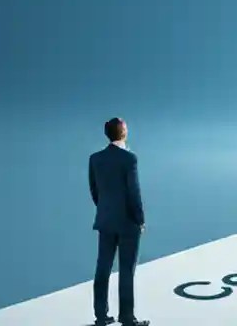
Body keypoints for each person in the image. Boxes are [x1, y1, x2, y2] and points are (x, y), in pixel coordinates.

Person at [89, 118, 148, 326]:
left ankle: (100, 315)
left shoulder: (95, 158)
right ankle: (126, 316)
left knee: (102, 268)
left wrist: (106, 210)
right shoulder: (129, 158)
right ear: (123, 131)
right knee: (126, 270)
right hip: (127, 222)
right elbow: (134, 192)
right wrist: (139, 219)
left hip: (105, 220)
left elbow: (95, 191)